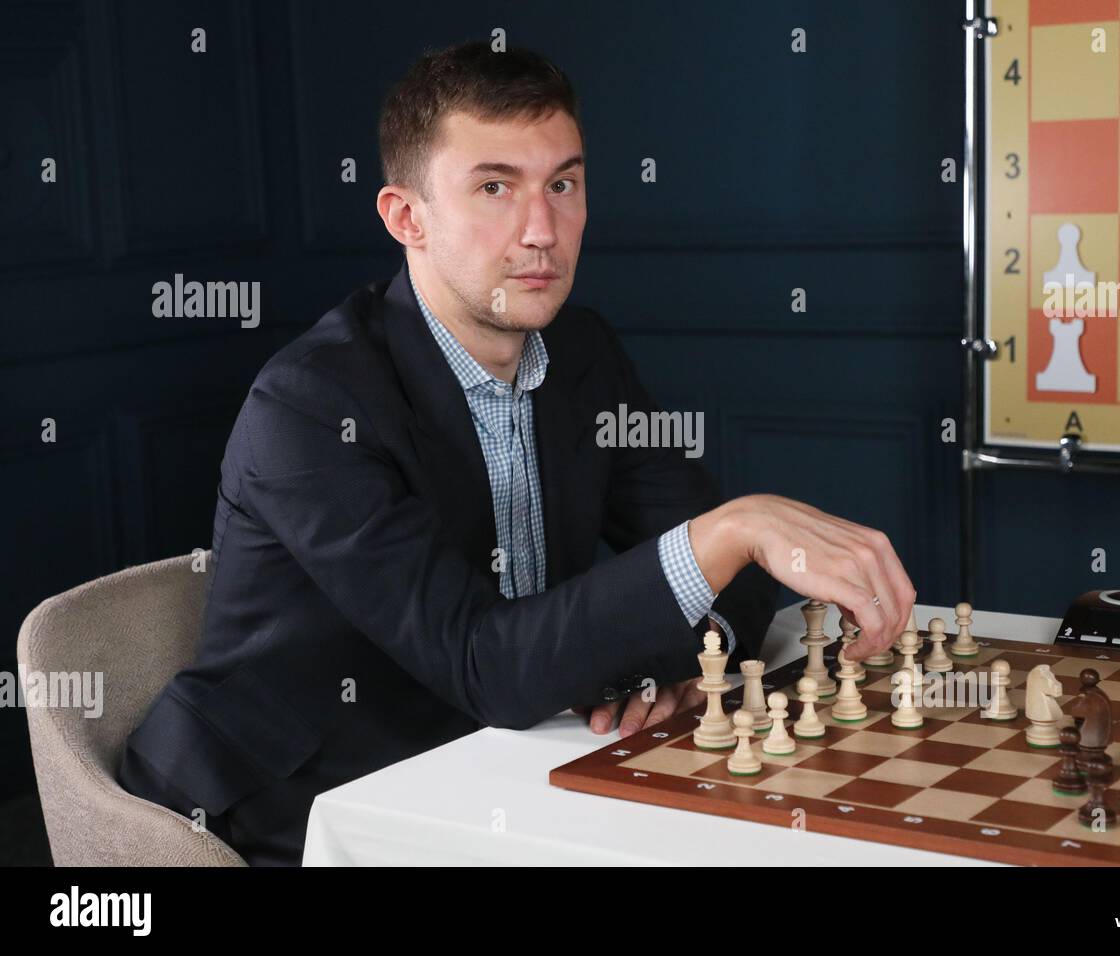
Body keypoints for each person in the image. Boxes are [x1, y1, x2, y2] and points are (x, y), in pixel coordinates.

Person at [116, 41, 914, 865]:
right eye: (495, 187)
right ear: (405, 218)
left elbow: (714, 570)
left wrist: (690, 659)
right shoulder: (311, 406)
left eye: (562, 184)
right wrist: (732, 530)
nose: (543, 231)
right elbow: (486, 661)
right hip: (296, 806)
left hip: (501, 761)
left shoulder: (582, 353)